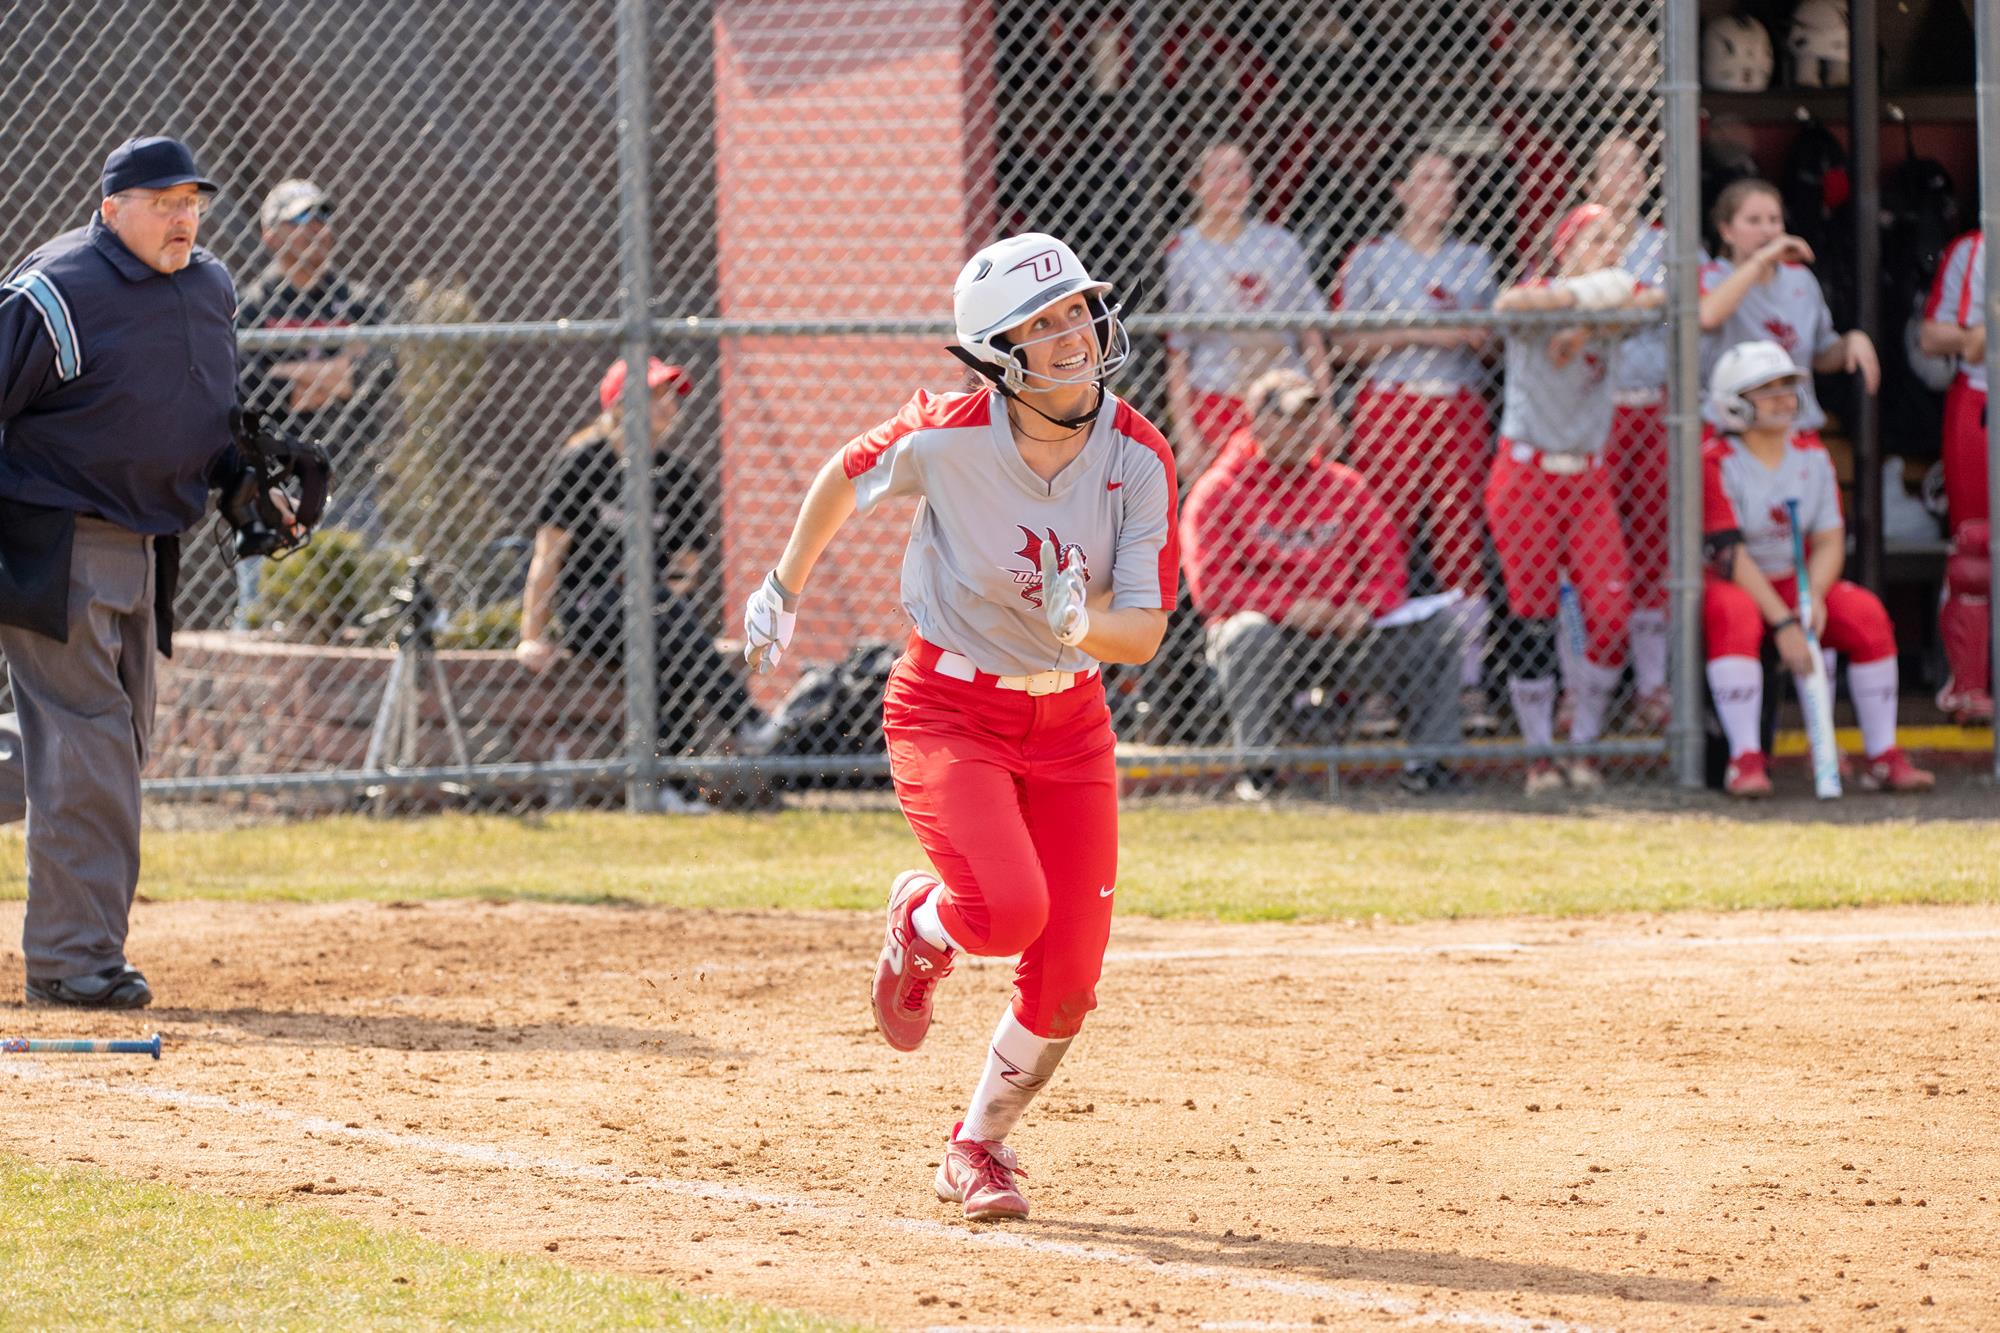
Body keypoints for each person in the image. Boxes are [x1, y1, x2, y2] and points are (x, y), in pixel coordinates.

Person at [740, 233, 1175, 1221]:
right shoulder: (945, 432)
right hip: (947, 706)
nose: (1072, 332)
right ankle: (920, 923)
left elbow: (1141, 632)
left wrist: (1080, 626)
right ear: (994, 353)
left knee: (1066, 978)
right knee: (1005, 911)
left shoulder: (1137, 453)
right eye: (1042, 322)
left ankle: (974, 1145)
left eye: (1076, 310)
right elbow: (845, 475)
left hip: (1069, 718)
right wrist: (783, 584)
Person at [0, 137, 244, 1007]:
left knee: (107, 746)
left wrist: (236, 471)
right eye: (161, 201)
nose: (183, 217)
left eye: (193, 202)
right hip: (54, 538)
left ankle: (78, 946)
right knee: (90, 742)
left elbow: (201, 406)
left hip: (145, 545)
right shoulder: (57, 288)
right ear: (110, 210)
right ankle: (74, 962)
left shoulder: (210, 286)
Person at [1180, 368, 1464, 799]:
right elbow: (1212, 587)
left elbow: (1388, 567)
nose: (1303, 429)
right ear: (1257, 420)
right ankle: (1260, 770)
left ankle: (1430, 764)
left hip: (1345, 635)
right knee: (1246, 634)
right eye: (1290, 417)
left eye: (1310, 418)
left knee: (1441, 630)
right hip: (1273, 636)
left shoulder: (1345, 485)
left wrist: (1363, 608)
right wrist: (1291, 608)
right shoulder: (1218, 490)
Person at [517, 357, 760, 803]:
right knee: (668, 626)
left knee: (668, 650)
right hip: (589, 605)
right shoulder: (584, 462)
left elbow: (686, 566)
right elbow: (547, 555)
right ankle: (746, 720)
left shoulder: (677, 476)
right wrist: (530, 634)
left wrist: (668, 585)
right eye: (654, 395)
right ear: (619, 405)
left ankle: (673, 789)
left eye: (671, 396)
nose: (668, 404)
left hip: (656, 612)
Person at [1701, 341, 1934, 796]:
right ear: (1734, 401)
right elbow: (1730, 555)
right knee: (1733, 613)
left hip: (1797, 580)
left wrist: (1814, 599)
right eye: (1766, 391)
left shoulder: (1811, 455)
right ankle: (1744, 759)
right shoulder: (1716, 460)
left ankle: (1882, 754)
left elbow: (1828, 539)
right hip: (1742, 583)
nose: (1784, 400)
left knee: (1864, 612)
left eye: (1787, 387)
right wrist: (1786, 622)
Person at [1487, 204, 1664, 794]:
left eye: (1614, 242)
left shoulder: (1618, 298)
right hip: (1527, 475)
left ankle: (1584, 745)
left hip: (1588, 478)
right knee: (1533, 615)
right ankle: (1541, 756)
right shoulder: (1544, 291)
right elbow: (1509, 307)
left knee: (1611, 613)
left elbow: (1656, 303)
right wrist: (1582, 299)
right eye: (1593, 241)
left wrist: (1591, 320)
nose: (1608, 250)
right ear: (1564, 250)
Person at [1331, 146, 1500, 733]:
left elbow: (1489, 339)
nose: (1439, 190)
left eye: (1449, 181)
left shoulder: (1474, 260)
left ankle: (1469, 684)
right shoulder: (1372, 259)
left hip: (1457, 407)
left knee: (1461, 545)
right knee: (1384, 539)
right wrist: (1424, 331)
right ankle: (1377, 688)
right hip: (1391, 405)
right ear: (1401, 190)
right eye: (1426, 179)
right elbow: (1346, 345)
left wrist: (1449, 334)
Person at [235, 179, 394, 622]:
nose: (316, 228)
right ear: (271, 234)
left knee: (361, 613)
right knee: (266, 615)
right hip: (273, 480)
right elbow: (250, 390)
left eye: (322, 217)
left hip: (350, 474)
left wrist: (290, 375)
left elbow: (377, 377)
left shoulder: (359, 303)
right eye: (300, 219)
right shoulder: (250, 308)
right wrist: (336, 373)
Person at [1163, 141, 1331, 481]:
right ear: (1196, 185)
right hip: (1217, 397)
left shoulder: (1281, 245)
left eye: (1240, 171)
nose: (1234, 182)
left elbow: (1310, 334)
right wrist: (1186, 434)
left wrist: (1325, 410)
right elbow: (1177, 352)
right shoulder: (1183, 252)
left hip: (1285, 400)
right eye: (1220, 173)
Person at [1590, 134, 1674, 730]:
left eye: (1633, 167)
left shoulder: (1666, 243)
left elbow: (1675, 305)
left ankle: (1651, 687)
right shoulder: (1582, 238)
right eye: (1610, 167)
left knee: (1650, 544)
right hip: (1594, 413)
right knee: (1591, 553)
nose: (1623, 176)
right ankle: (1586, 690)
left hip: (1653, 408)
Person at [1698, 178, 1880, 443]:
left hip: (1796, 427)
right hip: (1735, 430)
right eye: (1754, 221)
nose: (1768, 231)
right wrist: (1761, 260)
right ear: (1726, 231)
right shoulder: (1712, 276)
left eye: (1774, 220)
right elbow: (1707, 316)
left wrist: (1851, 342)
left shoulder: (1801, 279)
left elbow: (1820, 354)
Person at [1919, 227, 1991, 725]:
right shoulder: (1977, 247)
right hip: (1985, 395)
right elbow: (1938, 338)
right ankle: (1968, 686)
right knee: (1976, 546)